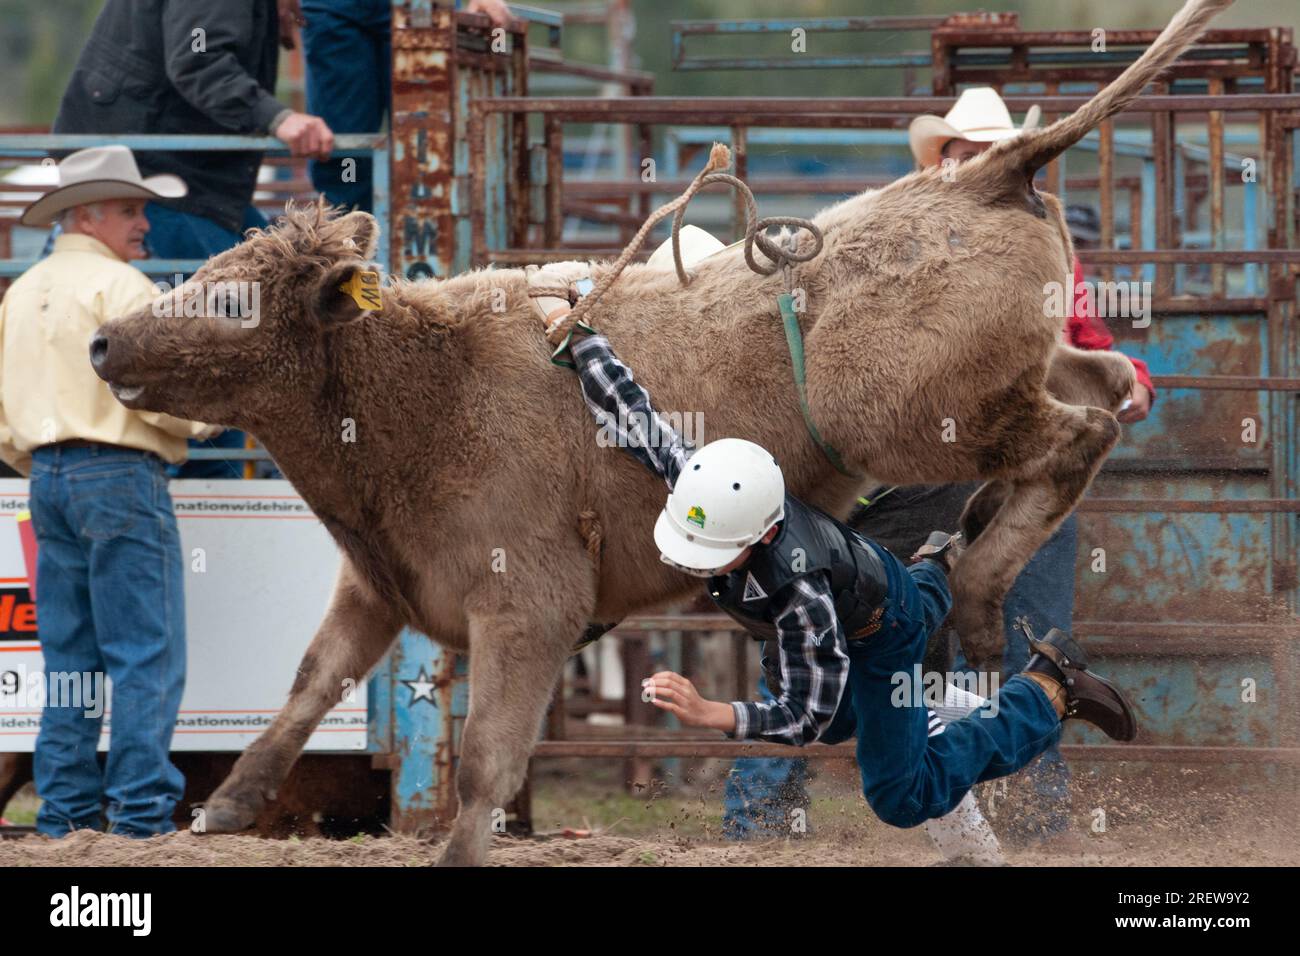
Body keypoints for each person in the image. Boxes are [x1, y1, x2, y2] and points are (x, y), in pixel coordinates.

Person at [524, 263, 1138, 833]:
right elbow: (636, 415)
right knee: (881, 662)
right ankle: (940, 560)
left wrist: (715, 714)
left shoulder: (800, 596)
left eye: (710, 548)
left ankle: (1046, 692)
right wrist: (579, 335)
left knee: (900, 793)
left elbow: (803, 717)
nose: (694, 558)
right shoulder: (705, 484)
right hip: (874, 582)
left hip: (878, 631)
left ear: (761, 536)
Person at [0, 146, 218, 837]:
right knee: (143, 651)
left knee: (71, 657)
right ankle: (141, 815)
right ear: (87, 215)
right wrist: (209, 419)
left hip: (48, 479)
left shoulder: (21, 291)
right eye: (130, 208)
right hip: (119, 474)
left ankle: (64, 813)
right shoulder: (123, 290)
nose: (143, 222)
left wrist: (37, 455)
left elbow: (6, 416)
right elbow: (154, 392)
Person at [51, 0, 335, 478]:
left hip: (177, 174)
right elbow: (197, 58)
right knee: (219, 326)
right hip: (166, 177)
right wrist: (278, 118)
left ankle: (243, 466)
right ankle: (216, 477)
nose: (300, 16)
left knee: (272, 280)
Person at [301, 0, 512, 213]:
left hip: (423, 7)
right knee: (346, 147)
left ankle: (428, 237)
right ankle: (350, 237)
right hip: (335, 9)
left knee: (427, 145)